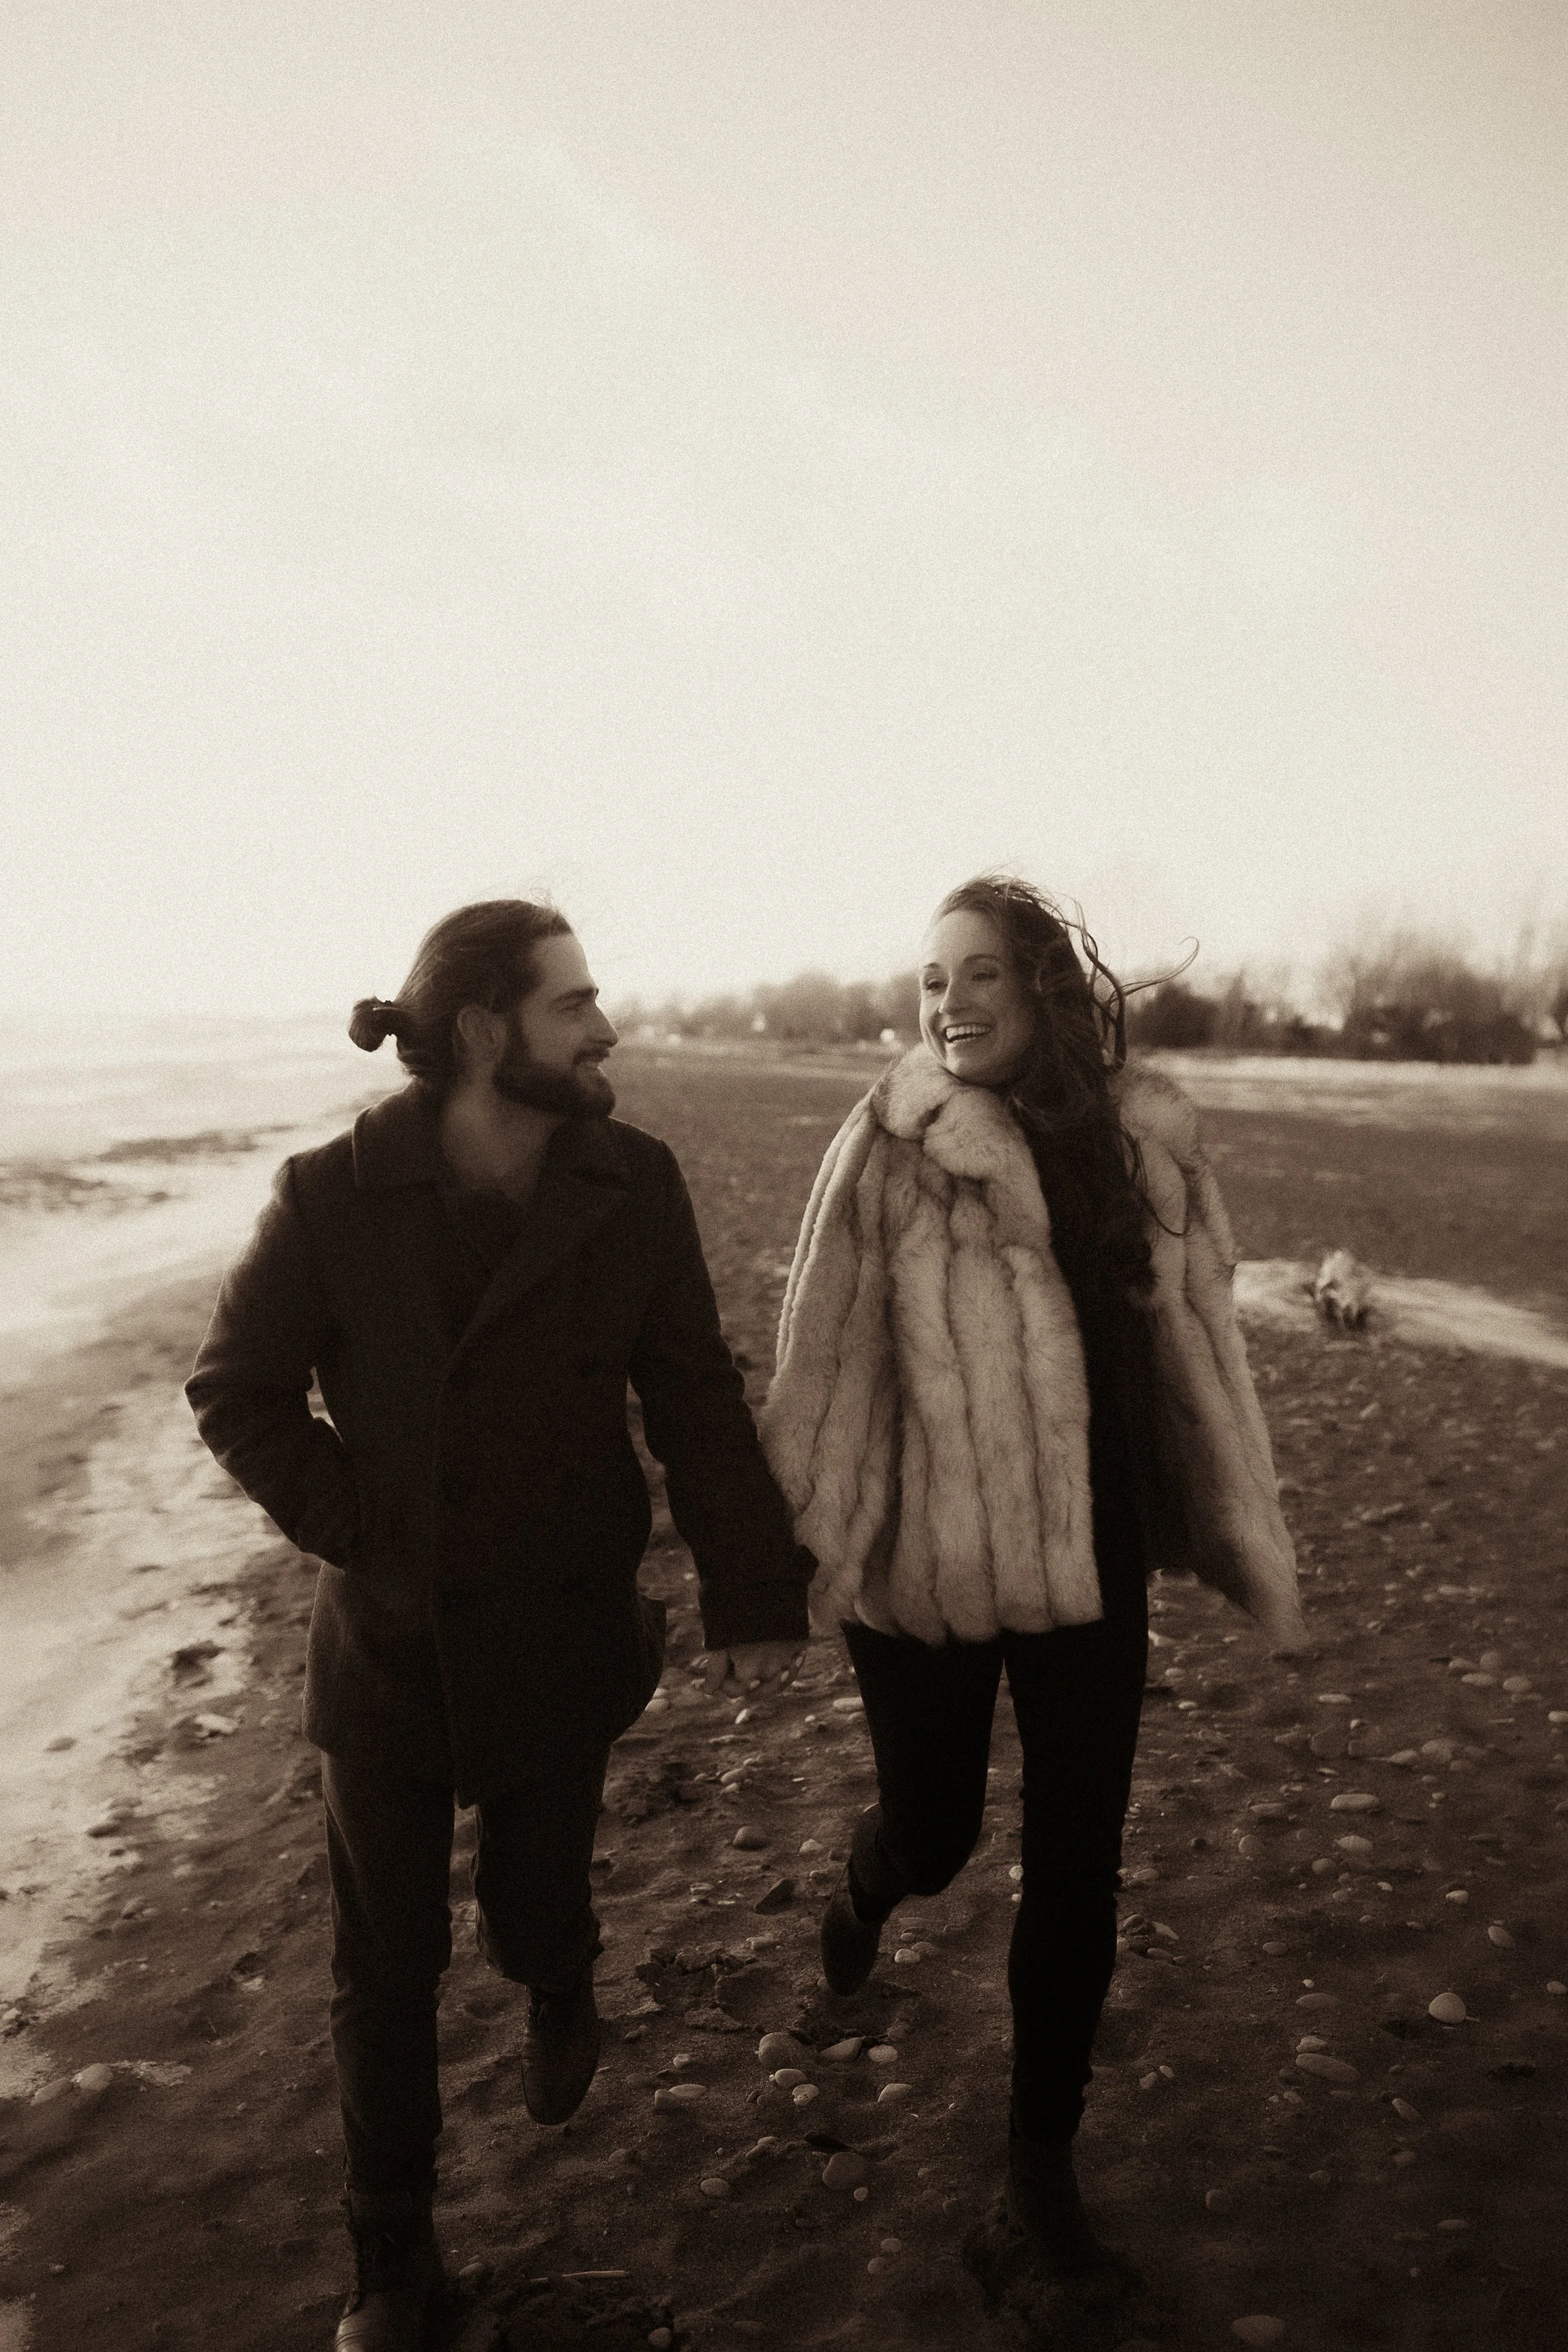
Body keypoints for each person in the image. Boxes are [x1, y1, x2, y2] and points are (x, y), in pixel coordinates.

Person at [186, 899, 810, 2352]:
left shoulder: (628, 1182)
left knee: (536, 1898)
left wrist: (752, 1592)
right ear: (481, 1033)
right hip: (390, 1652)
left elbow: (692, 1395)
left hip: (564, 1619)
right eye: (574, 1003)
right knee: (383, 1971)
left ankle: (558, 1974)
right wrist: (369, 1533)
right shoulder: (329, 1195)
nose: (606, 1028)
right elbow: (237, 1390)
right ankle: (390, 2268)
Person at [761, 875, 1306, 2287]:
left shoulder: (1150, 1151)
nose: (946, 1003)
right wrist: (794, 1558)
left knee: (1078, 1864)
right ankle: (865, 1886)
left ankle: (1035, 2173)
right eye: (930, 980)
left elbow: (1198, 1346)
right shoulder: (885, 1144)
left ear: (1044, 988)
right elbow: (820, 1363)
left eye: (977, 974)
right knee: (937, 1834)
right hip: (930, 1567)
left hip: (1095, 1563)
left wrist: (1227, 1512)